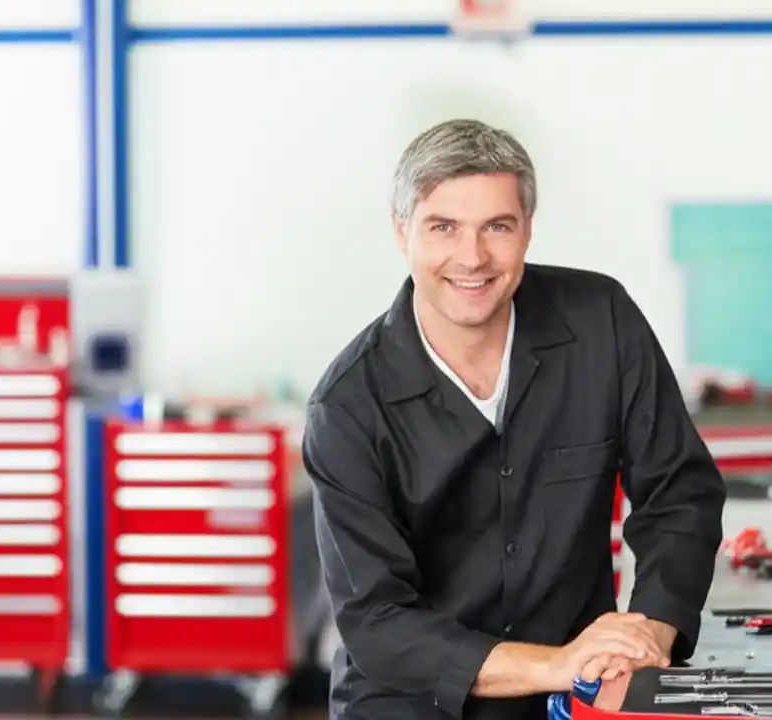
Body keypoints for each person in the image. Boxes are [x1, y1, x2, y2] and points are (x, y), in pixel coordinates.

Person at [303, 118, 726, 720]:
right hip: (411, 705)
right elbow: (377, 619)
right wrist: (555, 663)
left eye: (496, 227)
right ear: (403, 233)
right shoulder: (347, 407)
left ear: (528, 228)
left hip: (579, 696)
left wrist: (650, 633)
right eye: (443, 227)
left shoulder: (601, 323)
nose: (472, 258)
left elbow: (677, 491)